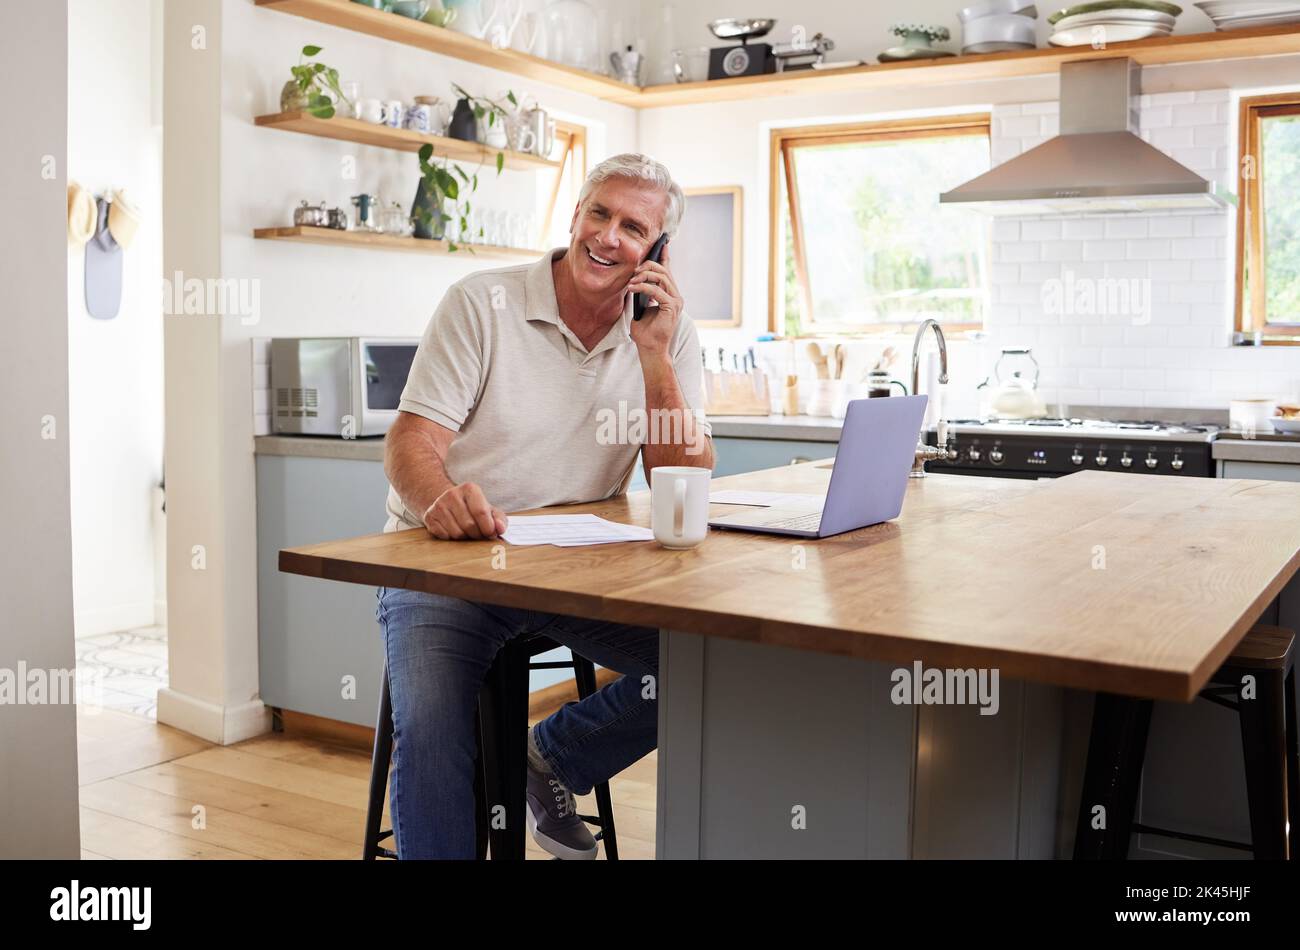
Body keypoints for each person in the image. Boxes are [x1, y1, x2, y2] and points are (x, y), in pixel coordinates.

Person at [376, 153, 715, 859]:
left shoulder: (670, 333)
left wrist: (652, 357)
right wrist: (439, 499)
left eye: (633, 226)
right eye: (599, 213)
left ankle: (553, 757)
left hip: (576, 567)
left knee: (713, 663)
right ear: (574, 217)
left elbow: (682, 479)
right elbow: (411, 439)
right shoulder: (482, 302)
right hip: (447, 565)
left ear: (657, 250)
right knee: (437, 728)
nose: (608, 236)